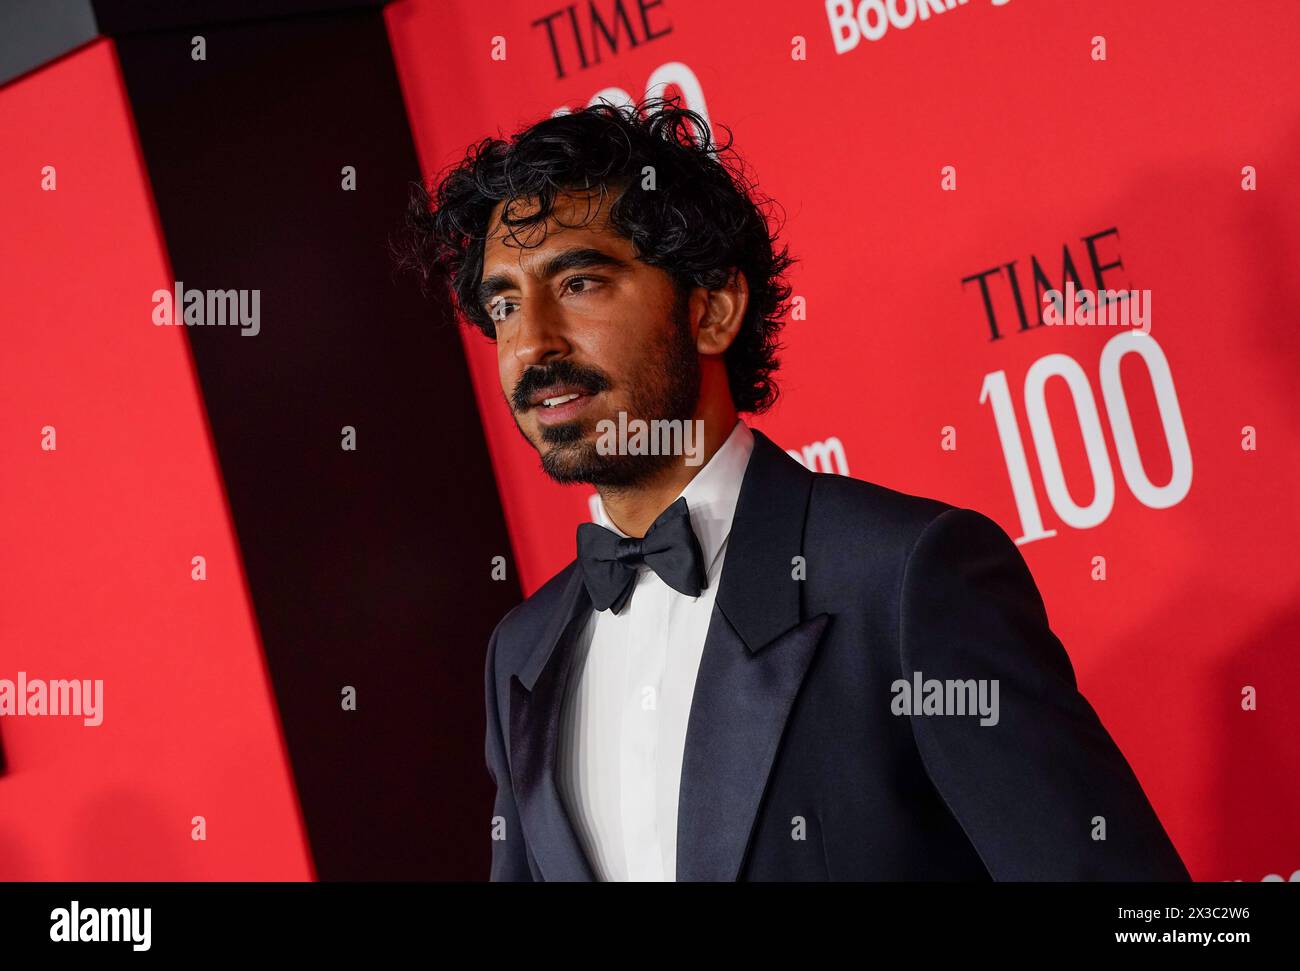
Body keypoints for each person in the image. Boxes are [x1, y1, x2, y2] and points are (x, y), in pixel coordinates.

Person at [400, 97, 1191, 882]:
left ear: (712, 310)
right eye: (503, 304)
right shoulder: (521, 650)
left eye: (578, 283)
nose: (530, 340)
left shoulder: (903, 579)